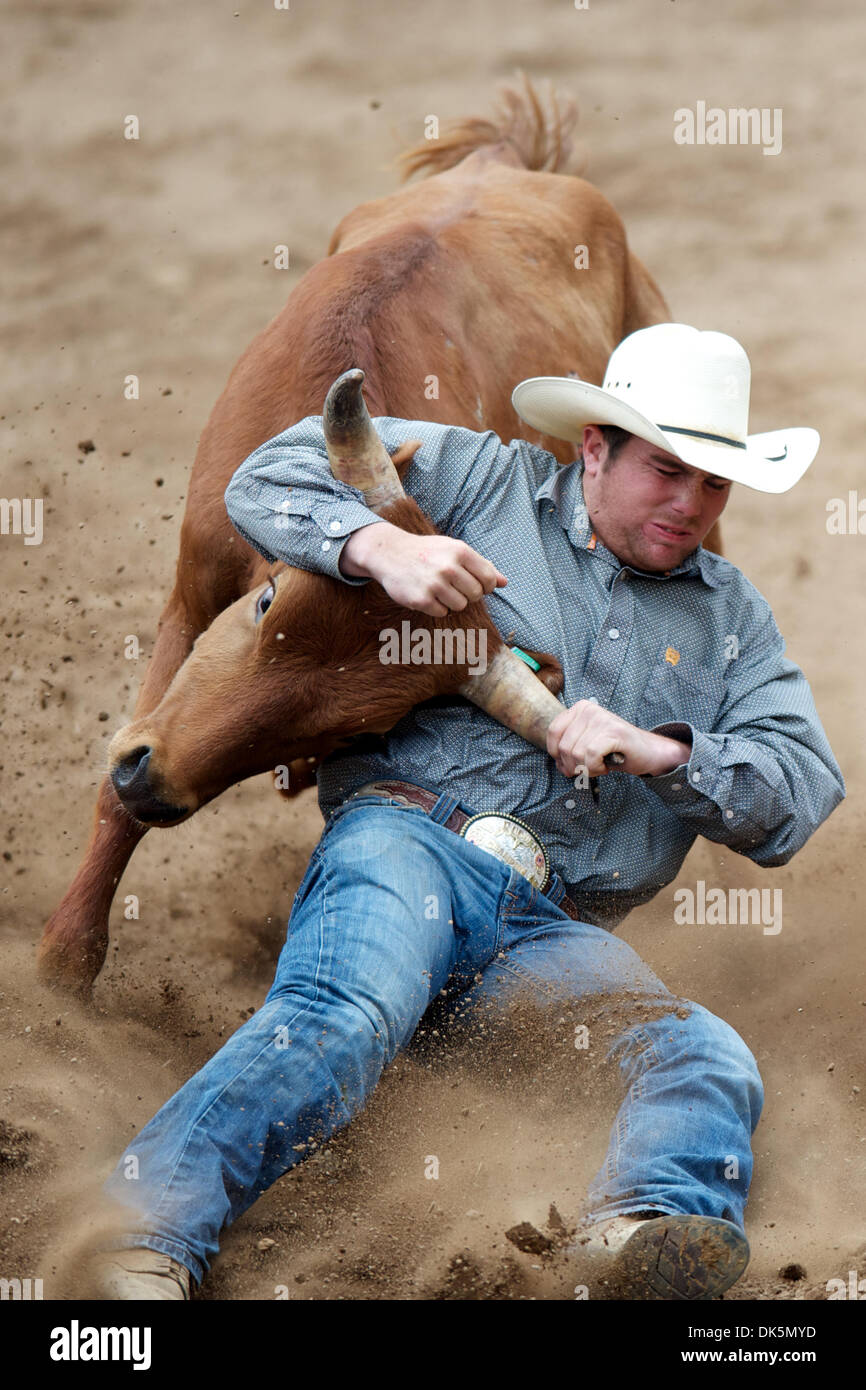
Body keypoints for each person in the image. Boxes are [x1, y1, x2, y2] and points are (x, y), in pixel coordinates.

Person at [92, 324, 844, 1301]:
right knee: (343, 1018)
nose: (689, 503)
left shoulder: (730, 616)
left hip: (547, 928)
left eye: (712, 482)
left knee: (703, 1054)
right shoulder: (483, 479)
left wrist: (660, 752)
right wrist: (378, 546)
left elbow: (797, 789)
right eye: (666, 470)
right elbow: (265, 473)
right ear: (593, 447)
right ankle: (141, 1239)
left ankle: (634, 1232)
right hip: (409, 842)